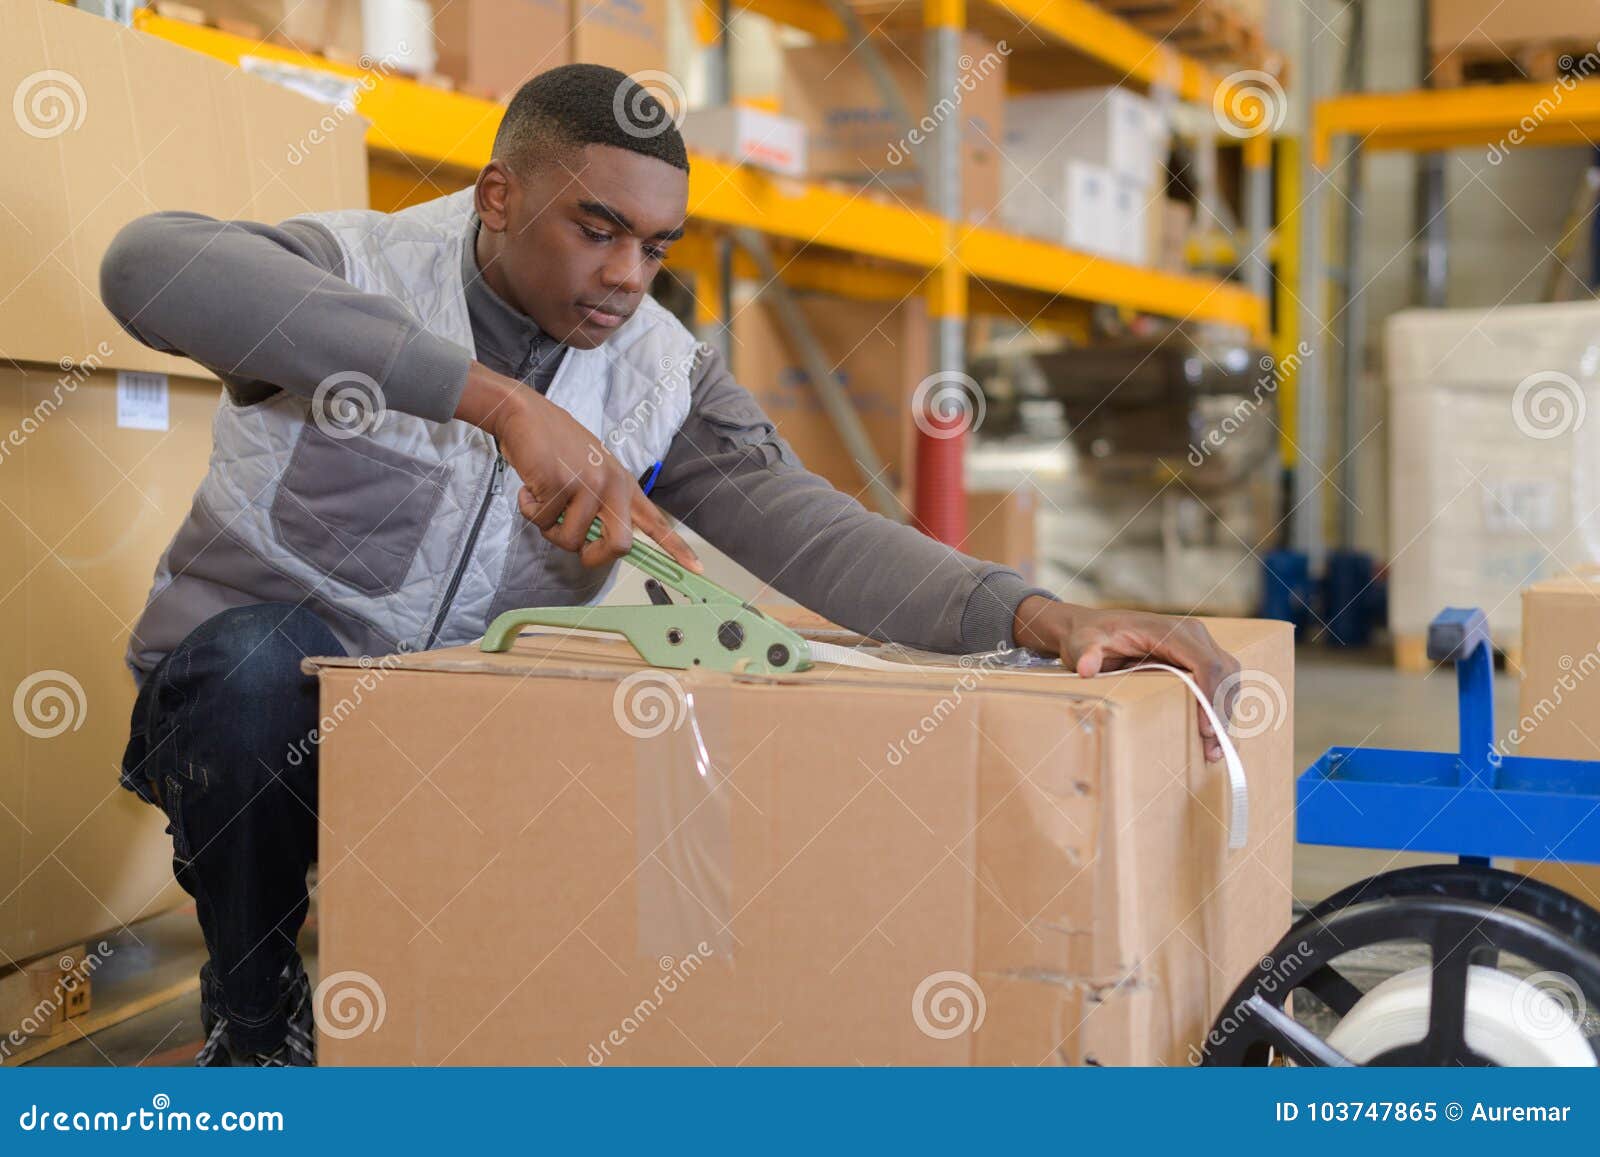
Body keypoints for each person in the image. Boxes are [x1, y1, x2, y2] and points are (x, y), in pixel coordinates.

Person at [100, 63, 1239, 1066]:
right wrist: (496, 404)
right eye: (594, 228)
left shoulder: (658, 373)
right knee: (254, 665)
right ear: (498, 195)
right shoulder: (355, 267)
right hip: (261, 717)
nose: (627, 275)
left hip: (457, 733)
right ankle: (254, 1021)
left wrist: (1039, 613)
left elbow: (814, 530)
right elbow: (149, 265)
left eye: (654, 246)